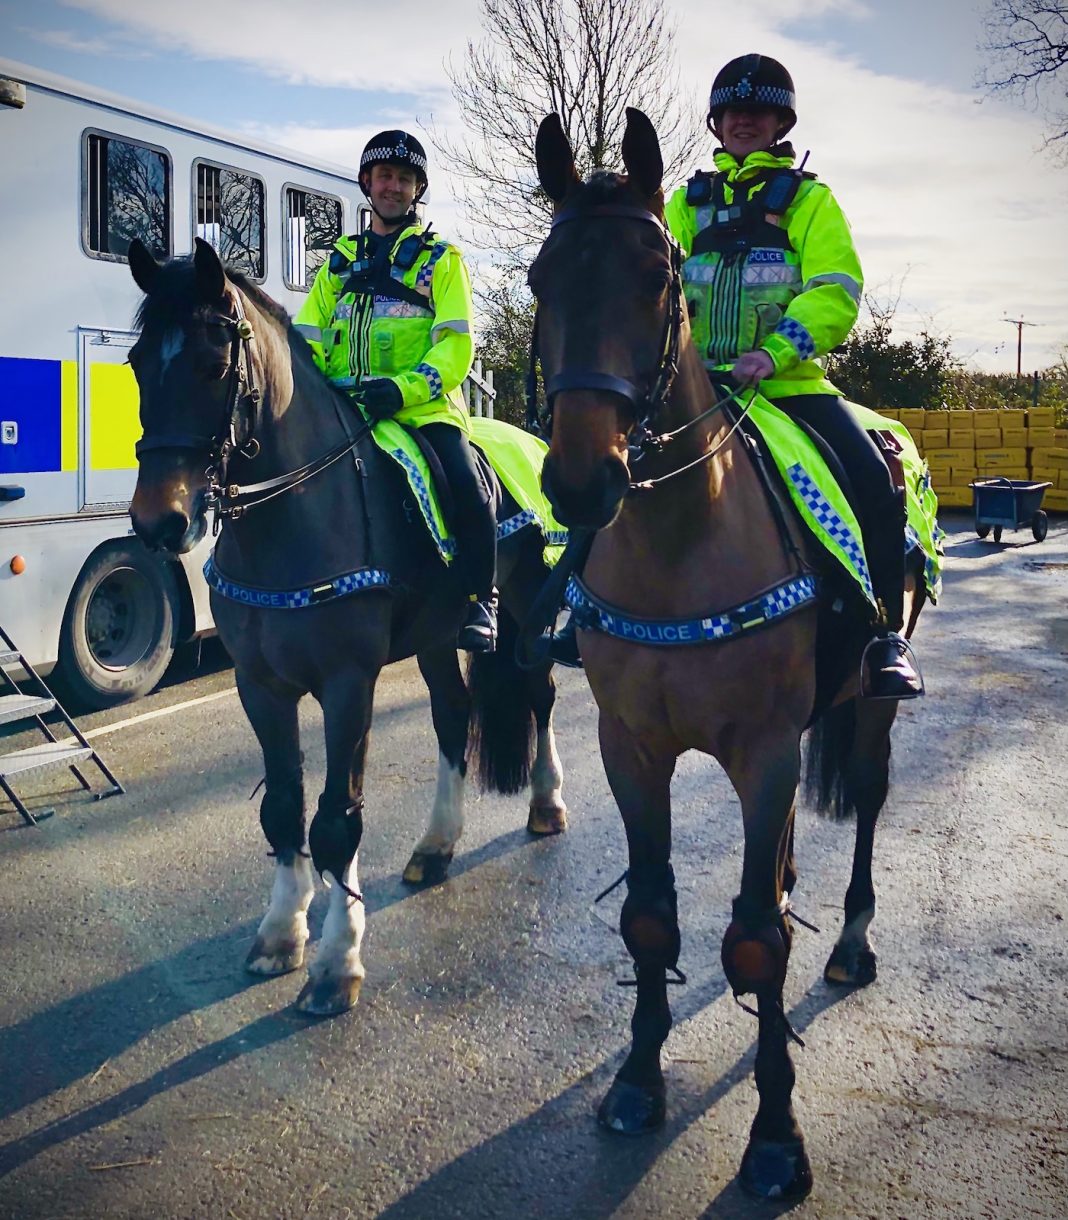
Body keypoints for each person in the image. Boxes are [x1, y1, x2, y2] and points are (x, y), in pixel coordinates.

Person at [660, 53, 922, 700]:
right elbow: (654, 289)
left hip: (789, 387)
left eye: (759, 111)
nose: (744, 121)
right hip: (695, 391)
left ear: (780, 121)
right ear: (716, 123)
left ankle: (885, 635)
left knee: (873, 482)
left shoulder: (809, 200)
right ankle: (583, 611)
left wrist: (772, 354)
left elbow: (835, 290)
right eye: (733, 111)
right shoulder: (684, 205)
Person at [294, 130, 497, 652]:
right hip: (348, 407)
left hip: (422, 409)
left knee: (467, 485)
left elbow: (455, 346)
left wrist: (402, 391)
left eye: (404, 179)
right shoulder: (337, 263)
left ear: (416, 190)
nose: (393, 186)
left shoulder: (441, 260)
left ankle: (481, 599)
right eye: (385, 176)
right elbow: (306, 337)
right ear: (367, 182)